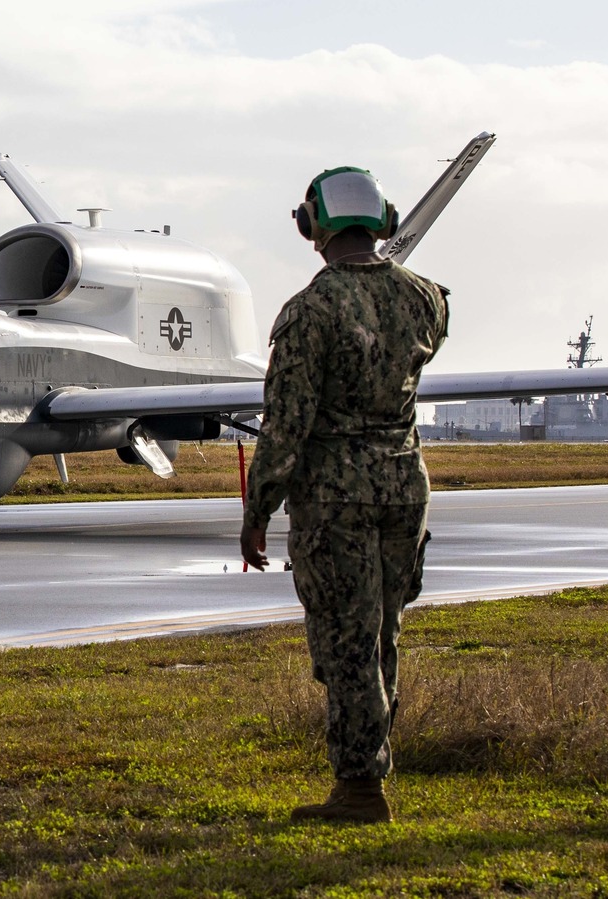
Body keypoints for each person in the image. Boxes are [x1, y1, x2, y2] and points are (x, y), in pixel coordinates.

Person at [240, 166, 450, 824]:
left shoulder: (311, 311)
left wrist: (257, 510)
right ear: (382, 220)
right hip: (404, 485)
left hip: (338, 497)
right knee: (383, 631)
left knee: (345, 639)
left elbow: (287, 426)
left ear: (313, 228)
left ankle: (360, 787)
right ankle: (370, 768)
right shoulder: (425, 299)